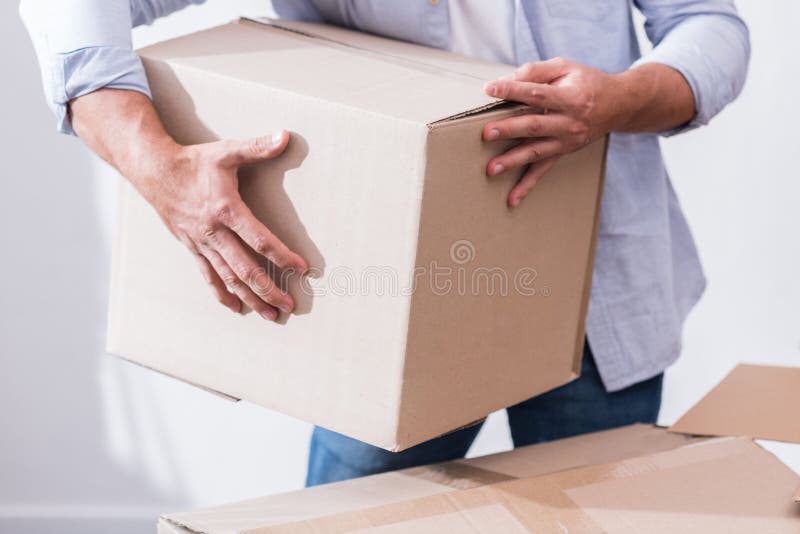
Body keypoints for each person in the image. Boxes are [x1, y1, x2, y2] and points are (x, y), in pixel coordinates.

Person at [20, 0, 749, 486]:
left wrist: (621, 97)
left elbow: (711, 25)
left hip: (596, 289)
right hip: (385, 310)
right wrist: (157, 168)